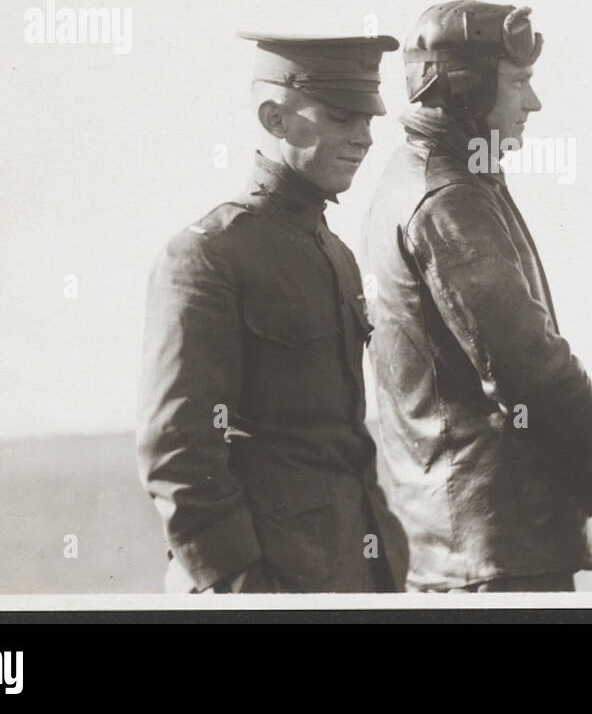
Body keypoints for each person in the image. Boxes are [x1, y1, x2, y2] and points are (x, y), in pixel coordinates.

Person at [361, 0, 592, 592]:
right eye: (518, 82)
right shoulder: (449, 196)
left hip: (468, 549)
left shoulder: (436, 178)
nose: (532, 103)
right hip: (495, 557)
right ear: (465, 91)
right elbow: (526, 363)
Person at [137, 31, 408, 593]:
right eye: (341, 117)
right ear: (274, 119)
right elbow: (179, 456)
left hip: (351, 572)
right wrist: (238, 586)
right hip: (263, 581)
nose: (363, 137)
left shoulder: (338, 256)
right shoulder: (208, 254)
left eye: (368, 121)